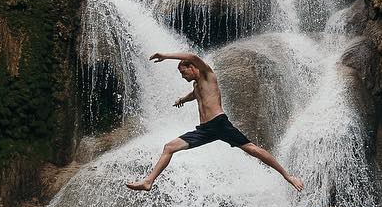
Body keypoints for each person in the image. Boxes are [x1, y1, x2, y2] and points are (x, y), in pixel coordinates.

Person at [126, 51, 304, 193]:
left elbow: (192, 56)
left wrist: (165, 56)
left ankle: (287, 176)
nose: (182, 76)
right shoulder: (197, 85)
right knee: (169, 147)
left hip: (220, 123)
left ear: (192, 67)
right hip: (205, 130)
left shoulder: (207, 74)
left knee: (252, 149)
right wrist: (182, 99)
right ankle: (148, 182)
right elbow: (195, 95)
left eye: (183, 72)